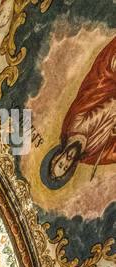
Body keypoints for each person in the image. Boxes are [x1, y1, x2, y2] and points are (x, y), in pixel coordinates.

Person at [40, 36, 116, 190]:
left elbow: (93, 90)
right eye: (66, 167)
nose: (66, 162)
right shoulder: (92, 155)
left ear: (56, 157)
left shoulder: (73, 125)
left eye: (61, 163)